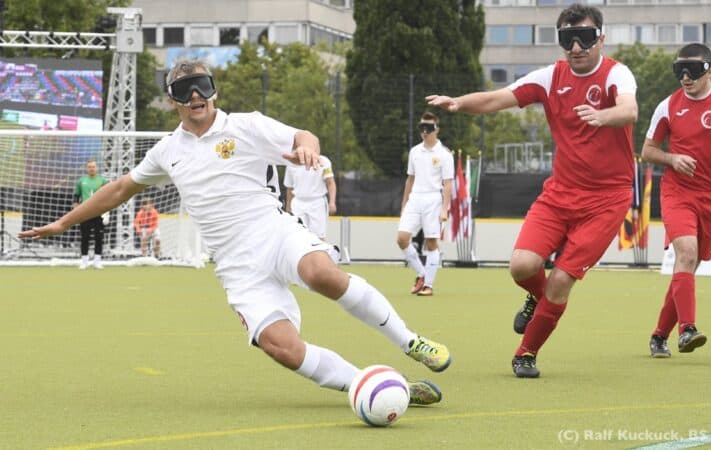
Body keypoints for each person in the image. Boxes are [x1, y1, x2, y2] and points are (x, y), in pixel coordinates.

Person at [20, 59, 450, 405]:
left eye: (202, 86)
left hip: (275, 232)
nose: (195, 97)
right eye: (184, 91)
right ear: (173, 101)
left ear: (214, 91)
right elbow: (118, 189)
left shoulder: (245, 125)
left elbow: (304, 134)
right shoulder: (167, 151)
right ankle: (371, 385)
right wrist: (63, 222)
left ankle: (411, 342)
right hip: (236, 266)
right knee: (280, 347)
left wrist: (307, 148)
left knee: (323, 274)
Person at [428, 4, 638, 377]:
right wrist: (459, 103)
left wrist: (603, 116)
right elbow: (497, 99)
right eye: (566, 39)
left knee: (559, 282)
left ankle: (526, 353)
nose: (576, 47)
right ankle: (540, 302)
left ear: (601, 38)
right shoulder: (549, 78)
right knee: (522, 266)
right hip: (559, 193)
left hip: (607, 200)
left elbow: (629, 109)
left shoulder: (616, 74)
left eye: (585, 38)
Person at [642, 43, 711, 358]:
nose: (684, 77)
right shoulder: (668, 106)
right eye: (679, 70)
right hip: (677, 192)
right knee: (687, 254)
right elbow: (647, 150)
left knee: (688, 267)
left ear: (710, 71)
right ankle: (687, 329)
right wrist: (671, 158)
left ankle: (658, 336)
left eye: (692, 71)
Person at [396, 112, 454, 297]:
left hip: (433, 200)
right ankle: (421, 274)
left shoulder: (444, 155)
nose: (424, 132)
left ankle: (428, 285)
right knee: (402, 238)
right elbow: (410, 179)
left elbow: (447, 184)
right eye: (422, 127)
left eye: (428, 128)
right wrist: (405, 203)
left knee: (431, 242)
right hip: (415, 198)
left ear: (437, 129)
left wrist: (444, 208)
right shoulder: (414, 152)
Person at [284, 155, 337, 240]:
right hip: (298, 203)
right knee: (297, 236)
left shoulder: (323, 161)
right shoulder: (291, 162)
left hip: (317, 203)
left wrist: (332, 202)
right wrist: (288, 208)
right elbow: (290, 187)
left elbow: (330, 183)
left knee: (319, 238)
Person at [73, 160, 108, 269]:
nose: (91, 168)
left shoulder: (102, 180)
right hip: (85, 212)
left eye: (93, 166)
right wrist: (76, 210)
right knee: (85, 237)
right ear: (86, 168)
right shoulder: (81, 181)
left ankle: (97, 261)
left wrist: (106, 211)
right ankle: (84, 261)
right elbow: (76, 197)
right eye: (89, 167)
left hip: (98, 212)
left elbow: (108, 196)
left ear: (96, 168)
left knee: (99, 236)